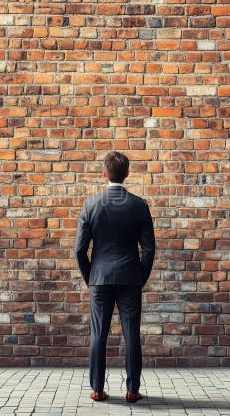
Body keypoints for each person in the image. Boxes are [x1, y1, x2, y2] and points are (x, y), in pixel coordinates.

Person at [74, 151, 156, 404]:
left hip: (100, 278)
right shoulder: (139, 205)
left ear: (104, 173)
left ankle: (97, 389)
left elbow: (79, 249)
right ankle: (132, 390)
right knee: (131, 333)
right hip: (130, 277)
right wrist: (140, 276)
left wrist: (91, 277)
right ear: (127, 173)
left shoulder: (91, 204)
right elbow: (149, 248)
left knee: (98, 334)